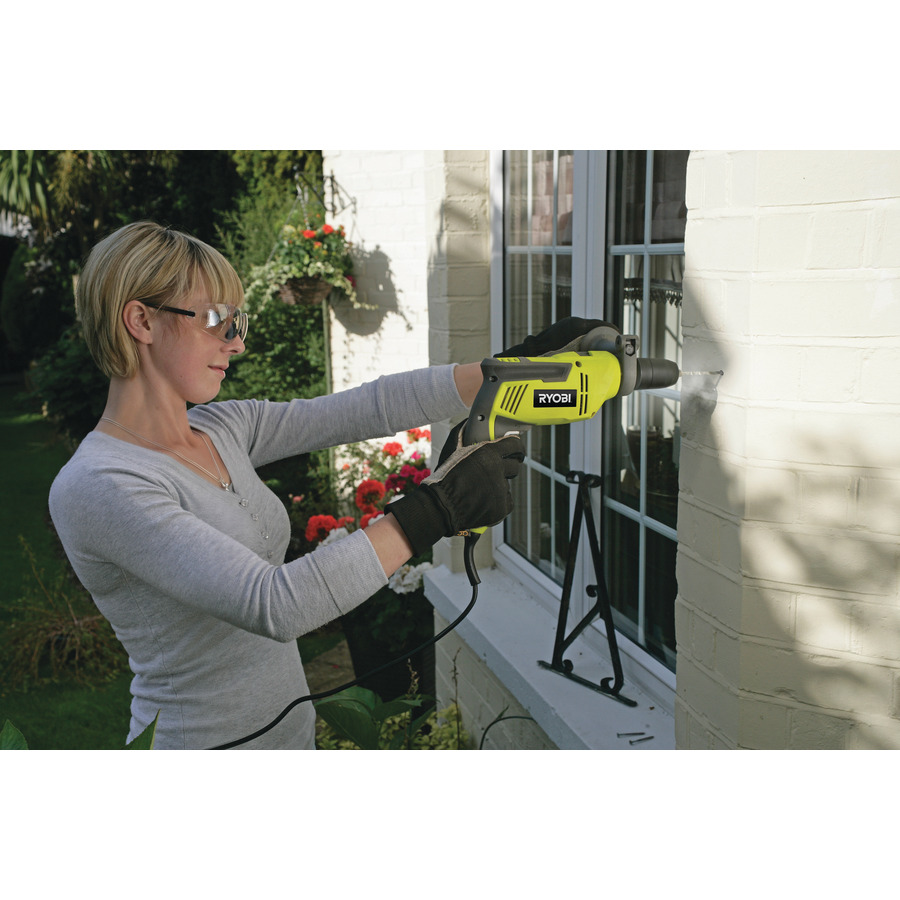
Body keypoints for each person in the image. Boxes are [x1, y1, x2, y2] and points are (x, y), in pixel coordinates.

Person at [48, 221, 599, 750]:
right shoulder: (100, 485)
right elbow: (275, 604)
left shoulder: (222, 428)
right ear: (141, 321)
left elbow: (368, 408)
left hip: (291, 742)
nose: (236, 344)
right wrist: (437, 507)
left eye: (238, 323)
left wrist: (508, 371)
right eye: (217, 320)